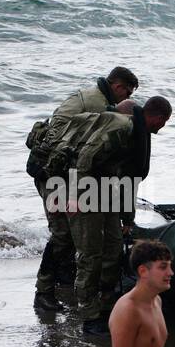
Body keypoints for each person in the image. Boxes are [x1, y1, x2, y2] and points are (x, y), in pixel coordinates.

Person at [49, 96, 173, 335]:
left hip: (104, 187)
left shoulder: (139, 134)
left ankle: (106, 307)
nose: (163, 127)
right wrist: (74, 196)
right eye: (164, 122)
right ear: (157, 117)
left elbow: (129, 178)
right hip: (83, 187)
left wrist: (128, 219)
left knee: (114, 248)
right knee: (90, 253)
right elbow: (84, 158)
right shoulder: (122, 128)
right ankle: (89, 316)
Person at [32, 66, 139, 313]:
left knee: (69, 234)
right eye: (127, 92)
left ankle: (65, 283)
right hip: (52, 173)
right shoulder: (100, 107)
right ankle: (43, 291)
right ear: (117, 86)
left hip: (60, 169)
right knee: (62, 234)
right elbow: (87, 156)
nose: (127, 98)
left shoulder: (95, 98)